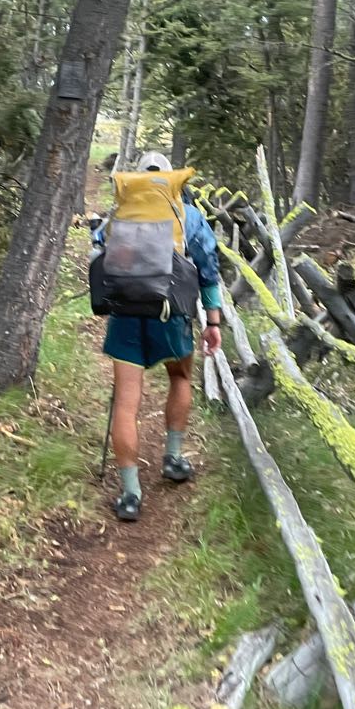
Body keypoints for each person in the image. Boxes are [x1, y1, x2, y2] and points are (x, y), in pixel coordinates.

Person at [100, 152, 222, 522]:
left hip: (126, 314)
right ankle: (173, 458)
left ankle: (130, 495)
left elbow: (99, 247)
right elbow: (208, 269)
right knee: (180, 377)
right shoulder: (189, 215)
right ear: (171, 179)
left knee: (126, 403)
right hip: (171, 313)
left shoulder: (122, 210)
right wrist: (212, 321)